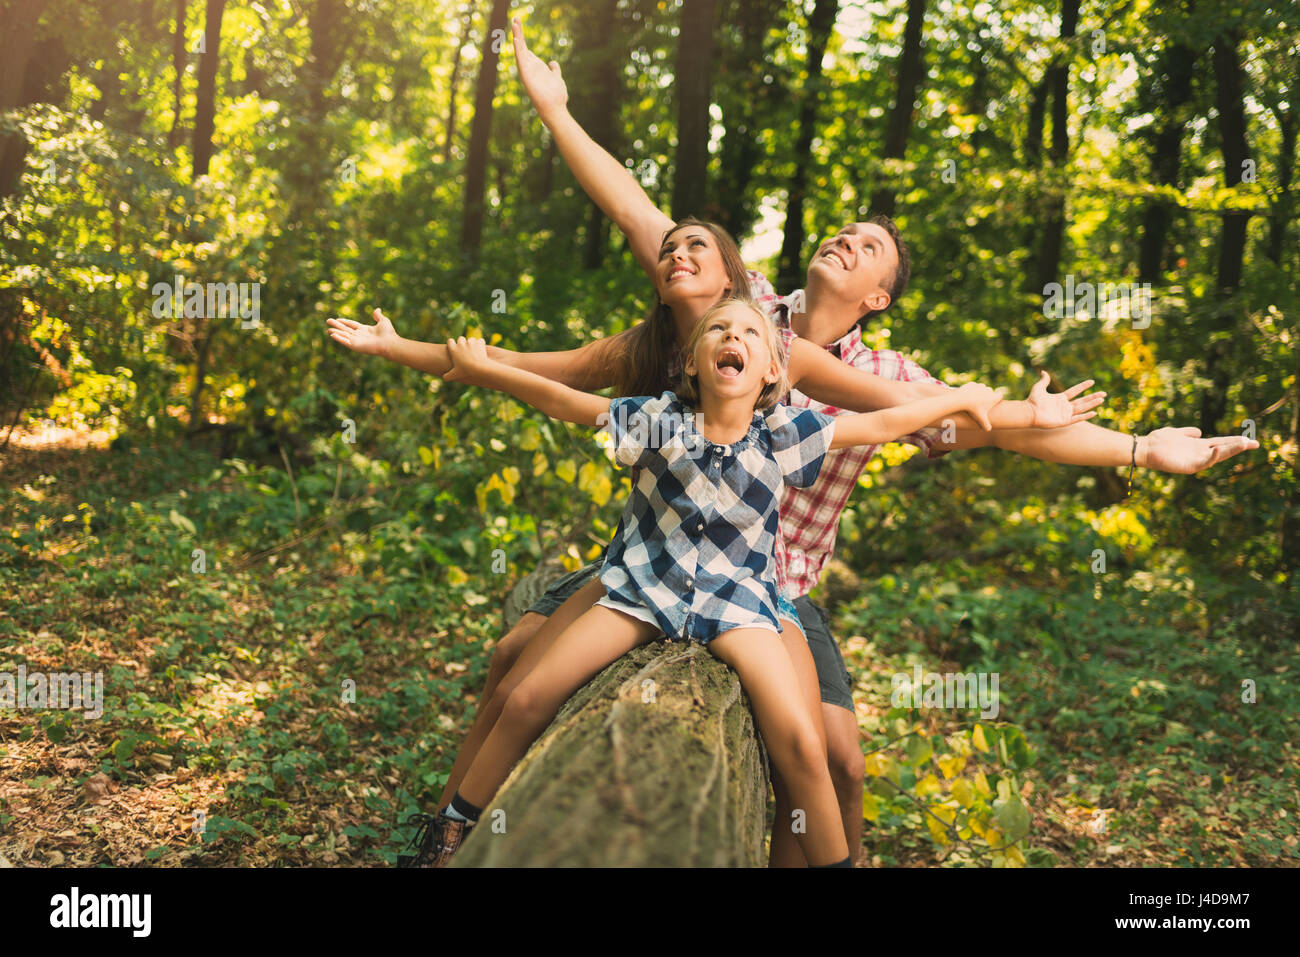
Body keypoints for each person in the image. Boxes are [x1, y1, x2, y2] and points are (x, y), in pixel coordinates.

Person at [417, 297, 1014, 867]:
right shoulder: (656, 420)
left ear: (772, 371)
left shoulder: (787, 433)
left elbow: (885, 420)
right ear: (693, 362)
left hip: (737, 605)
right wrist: (485, 369)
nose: (735, 339)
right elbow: (564, 401)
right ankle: (453, 827)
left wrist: (957, 396)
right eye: (721, 331)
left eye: (752, 334)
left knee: (803, 746)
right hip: (643, 593)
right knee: (526, 697)